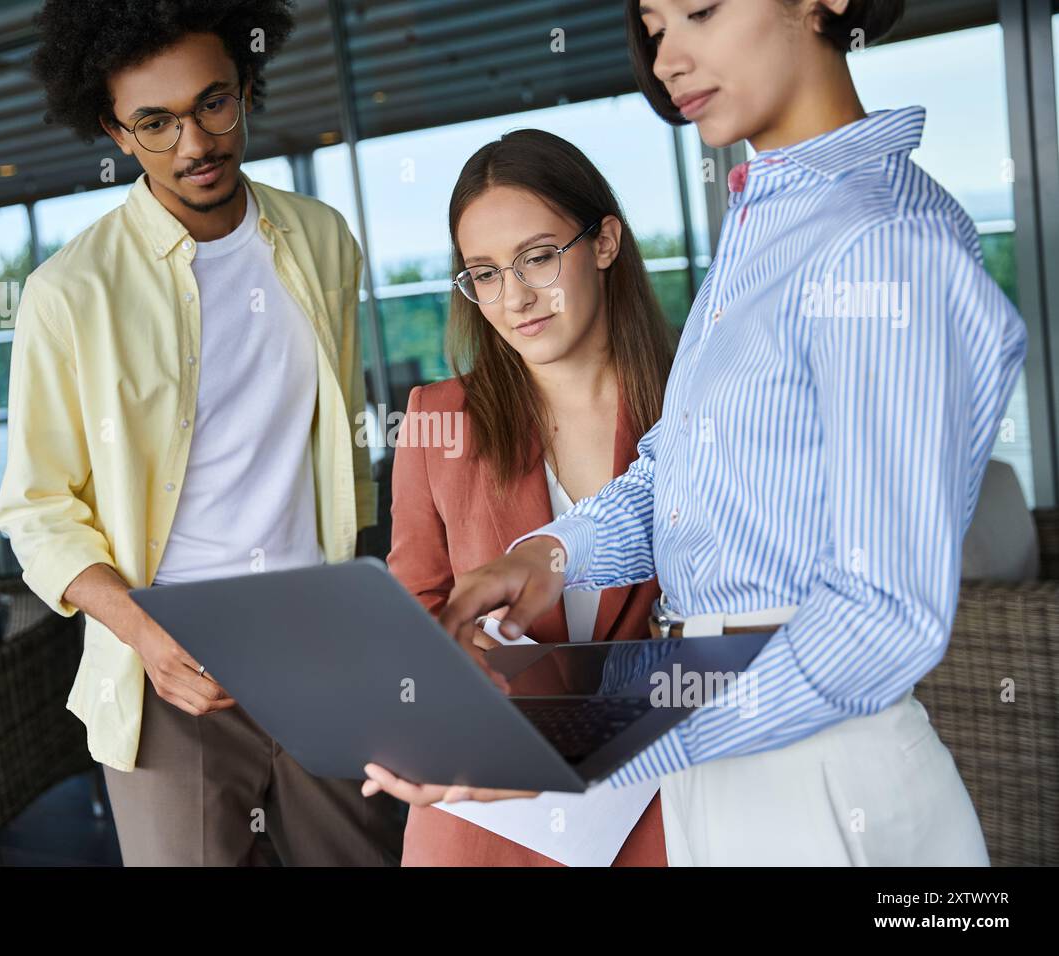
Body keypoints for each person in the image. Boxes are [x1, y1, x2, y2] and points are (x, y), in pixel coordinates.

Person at [363, 0, 1025, 866]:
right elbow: (675, 468)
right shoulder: (763, 229)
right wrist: (552, 554)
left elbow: (881, 620)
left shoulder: (881, 243)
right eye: (655, 24)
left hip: (820, 784)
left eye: (701, 11)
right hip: (719, 769)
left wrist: (585, 732)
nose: (668, 56)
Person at [0, 0, 403, 866]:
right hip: (168, 674)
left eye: (213, 103)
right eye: (156, 122)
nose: (195, 143)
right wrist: (143, 633)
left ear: (246, 86)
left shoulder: (324, 241)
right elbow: (36, 510)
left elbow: (336, 453)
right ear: (115, 130)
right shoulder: (68, 295)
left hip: (320, 649)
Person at [386, 129, 673, 866]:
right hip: (483, 818)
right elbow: (416, 613)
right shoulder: (437, 417)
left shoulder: (692, 408)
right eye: (484, 273)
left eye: (538, 257)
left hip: (655, 806)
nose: (513, 297)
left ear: (604, 241)